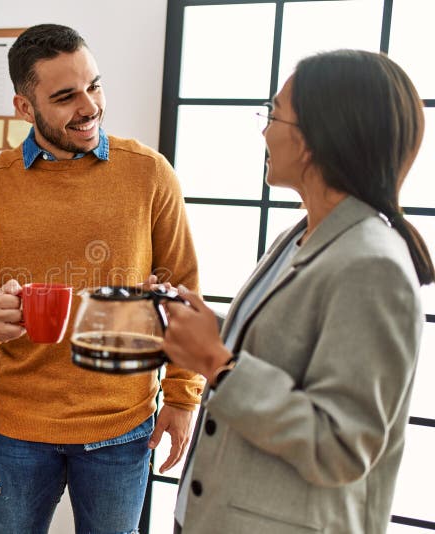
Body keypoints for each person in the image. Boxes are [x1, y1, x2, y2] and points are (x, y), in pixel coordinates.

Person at [0, 23, 204, 533]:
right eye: (65, 96)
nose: (89, 106)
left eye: (94, 85)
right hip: (18, 429)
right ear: (24, 107)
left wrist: (180, 397)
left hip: (122, 429)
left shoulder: (150, 174)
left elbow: (183, 291)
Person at [162, 49, 433, 534]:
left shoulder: (374, 265)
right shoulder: (303, 233)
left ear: (312, 141)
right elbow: (287, 353)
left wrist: (217, 364)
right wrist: (201, 324)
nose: (264, 130)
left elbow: (343, 445)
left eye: (273, 114)